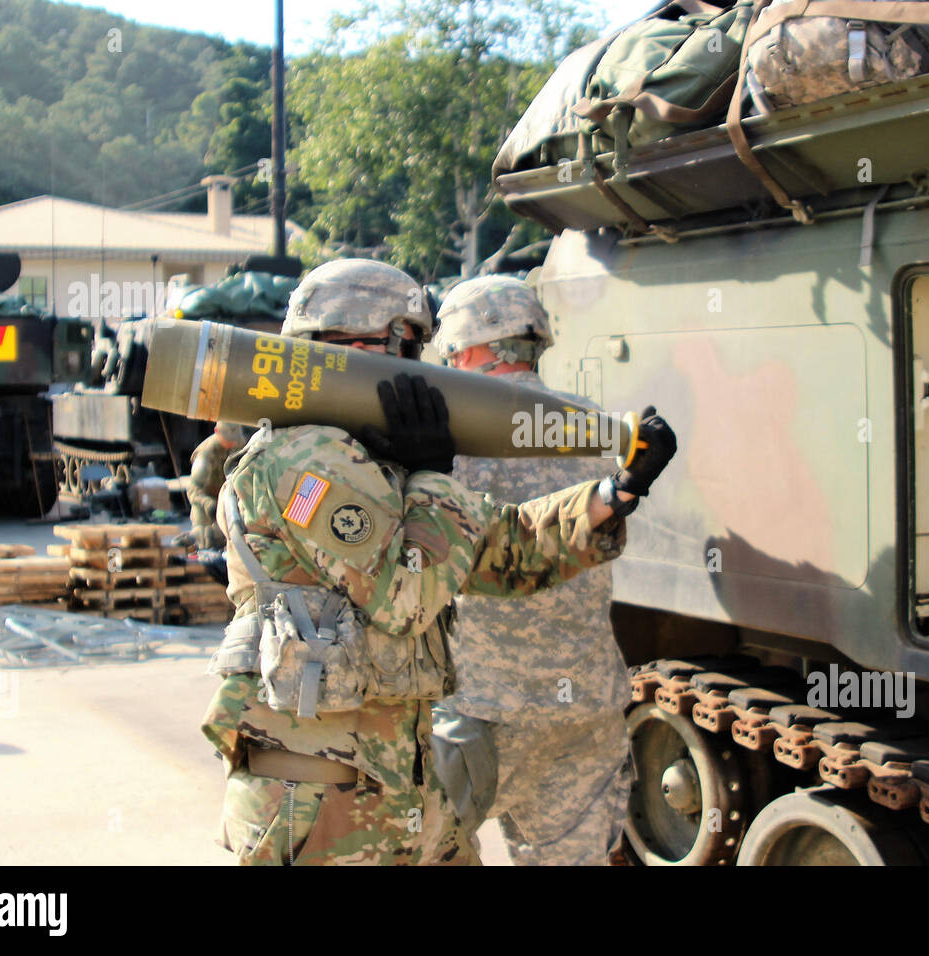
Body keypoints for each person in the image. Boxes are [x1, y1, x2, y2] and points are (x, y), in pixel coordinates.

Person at [200, 259, 677, 866]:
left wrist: (615, 495)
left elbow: (493, 545)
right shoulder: (303, 459)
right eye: (406, 346)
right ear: (358, 346)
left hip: (400, 785)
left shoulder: (369, 455)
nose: (419, 366)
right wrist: (431, 474)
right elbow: (406, 598)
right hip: (322, 801)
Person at [429, 275, 632, 865]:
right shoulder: (592, 422)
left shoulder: (452, 434)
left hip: (484, 710)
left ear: (465, 347)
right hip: (586, 706)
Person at [186, 422, 246, 550]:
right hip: (207, 502)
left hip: (229, 498)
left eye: (235, 440)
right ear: (217, 432)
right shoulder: (205, 454)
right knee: (204, 537)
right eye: (229, 440)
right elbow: (193, 490)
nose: (233, 444)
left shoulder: (241, 445)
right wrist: (208, 504)